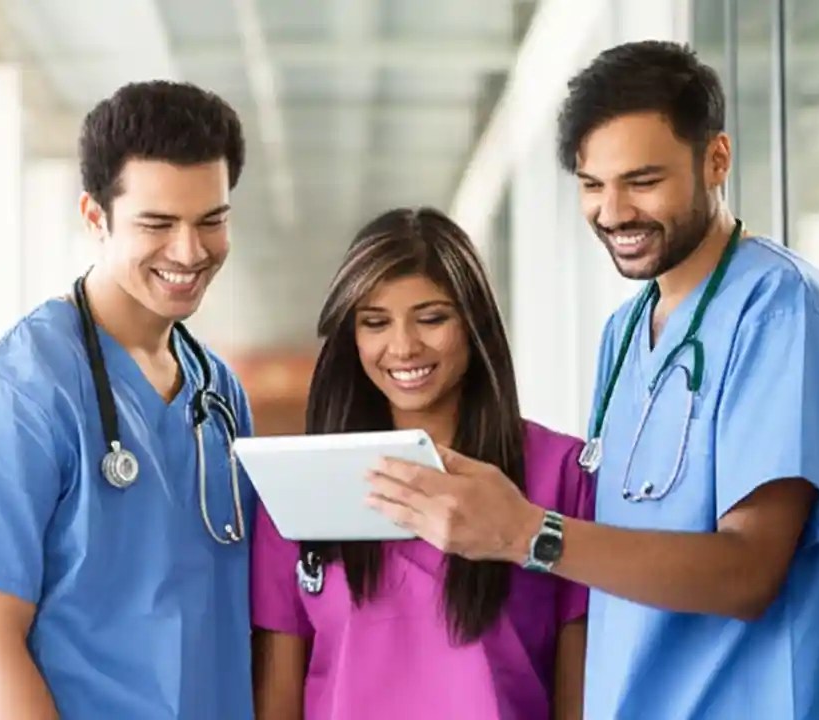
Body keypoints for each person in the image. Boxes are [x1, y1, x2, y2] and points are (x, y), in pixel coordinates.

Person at [364, 40, 819, 719]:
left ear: (716, 158)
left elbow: (749, 571)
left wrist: (525, 533)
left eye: (643, 180)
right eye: (591, 184)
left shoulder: (784, 312)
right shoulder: (626, 334)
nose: (613, 212)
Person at [0, 80, 257, 719]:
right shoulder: (20, 388)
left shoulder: (219, 392)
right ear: (95, 217)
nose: (190, 251)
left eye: (211, 221)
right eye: (157, 224)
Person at [251, 207, 594, 720]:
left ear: (474, 322)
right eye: (375, 323)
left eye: (433, 318)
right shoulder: (298, 484)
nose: (404, 346)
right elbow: (278, 702)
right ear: (352, 336)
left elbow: (579, 692)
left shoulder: (559, 474)